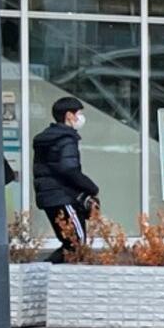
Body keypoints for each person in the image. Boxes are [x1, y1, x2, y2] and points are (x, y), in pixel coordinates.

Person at [32, 96, 100, 263]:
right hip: (63, 196)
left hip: (49, 196)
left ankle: (44, 272)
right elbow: (69, 169)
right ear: (69, 115)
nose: (80, 118)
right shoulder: (66, 139)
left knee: (70, 244)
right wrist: (92, 188)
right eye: (79, 113)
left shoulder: (46, 138)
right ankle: (43, 271)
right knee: (77, 244)